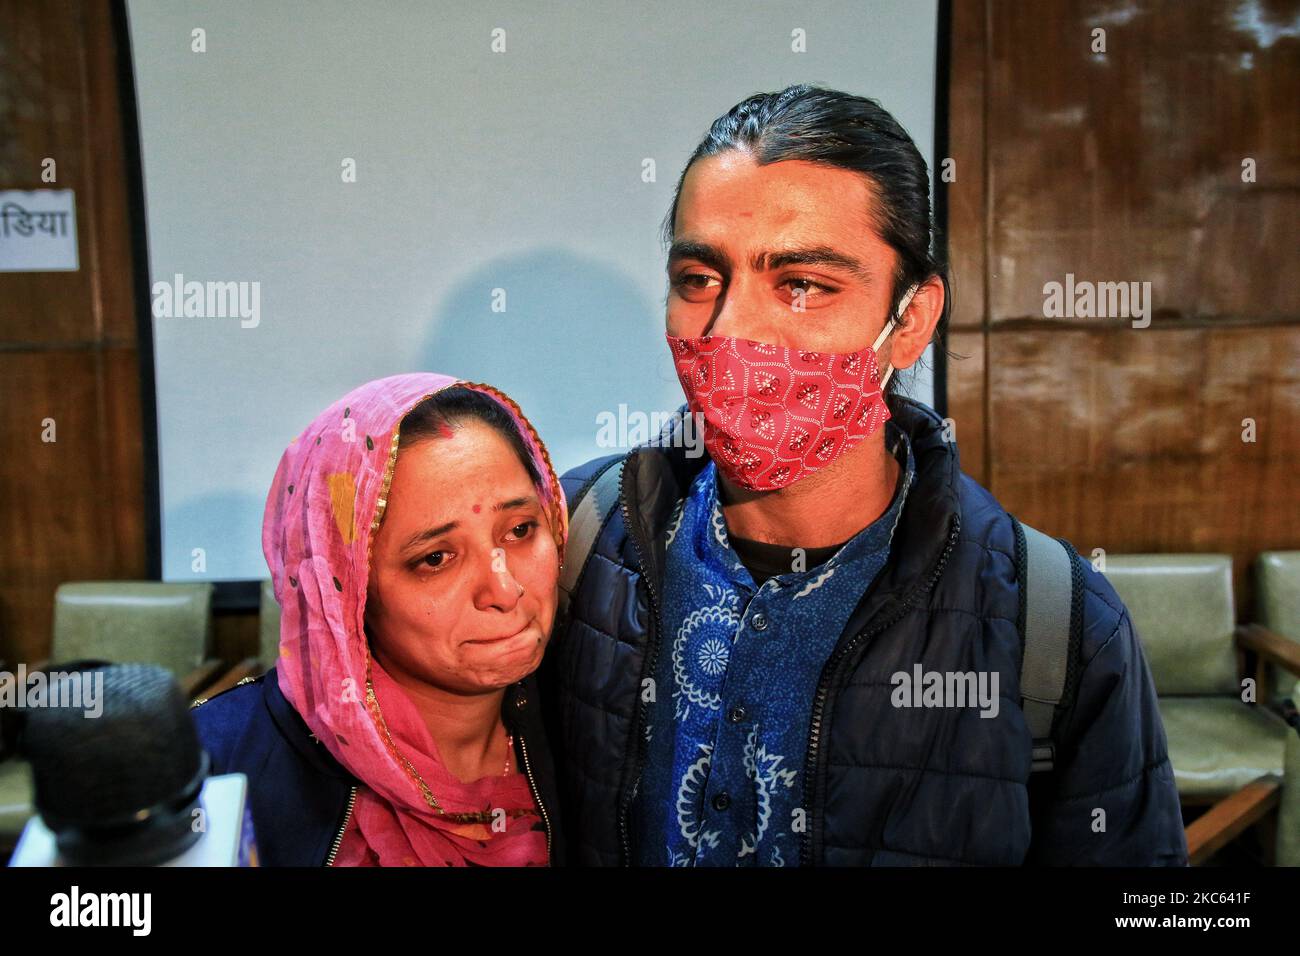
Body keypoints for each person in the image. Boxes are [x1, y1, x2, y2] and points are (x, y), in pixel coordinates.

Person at [541, 85, 1188, 866]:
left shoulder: (1056, 626)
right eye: (699, 279)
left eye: (804, 284)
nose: (732, 327)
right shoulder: (565, 539)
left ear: (910, 319)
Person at [191, 373, 569, 866]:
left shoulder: (603, 721)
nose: (504, 589)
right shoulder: (215, 767)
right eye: (436, 559)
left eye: (520, 529)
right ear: (345, 591)